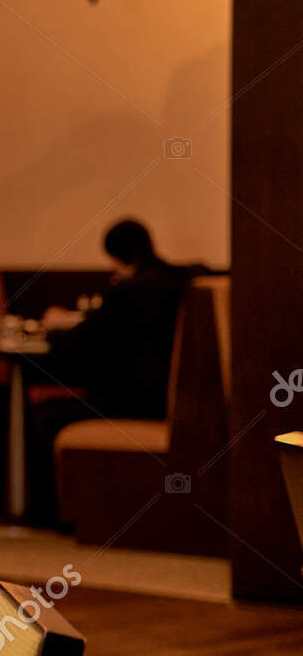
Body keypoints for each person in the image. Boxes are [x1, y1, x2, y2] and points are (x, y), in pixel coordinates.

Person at [25, 218, 211, 524]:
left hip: (129, 403)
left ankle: (52, 515)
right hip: (177, 402)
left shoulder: (127, 292)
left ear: (117, 256)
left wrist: (54, 328)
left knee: (44, 413)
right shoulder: (188, 280)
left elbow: (78, 343)